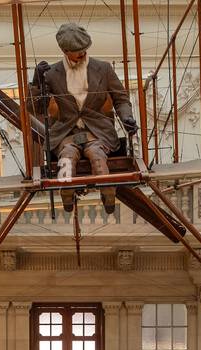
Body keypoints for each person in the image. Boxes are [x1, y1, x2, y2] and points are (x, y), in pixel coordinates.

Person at [38, 23, 137, 215]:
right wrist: (37, 82)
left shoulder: (103, 69)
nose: (82, 54)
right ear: (65, 51)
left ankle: (108, 195)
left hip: (97, 132)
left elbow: (121, 98)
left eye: (84, 50)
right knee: (66, 158)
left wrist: (128, 118)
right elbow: (35, 107)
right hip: (67, 132)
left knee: (97, 157)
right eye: (77, 52)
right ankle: (66, 194)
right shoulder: (51, 74)